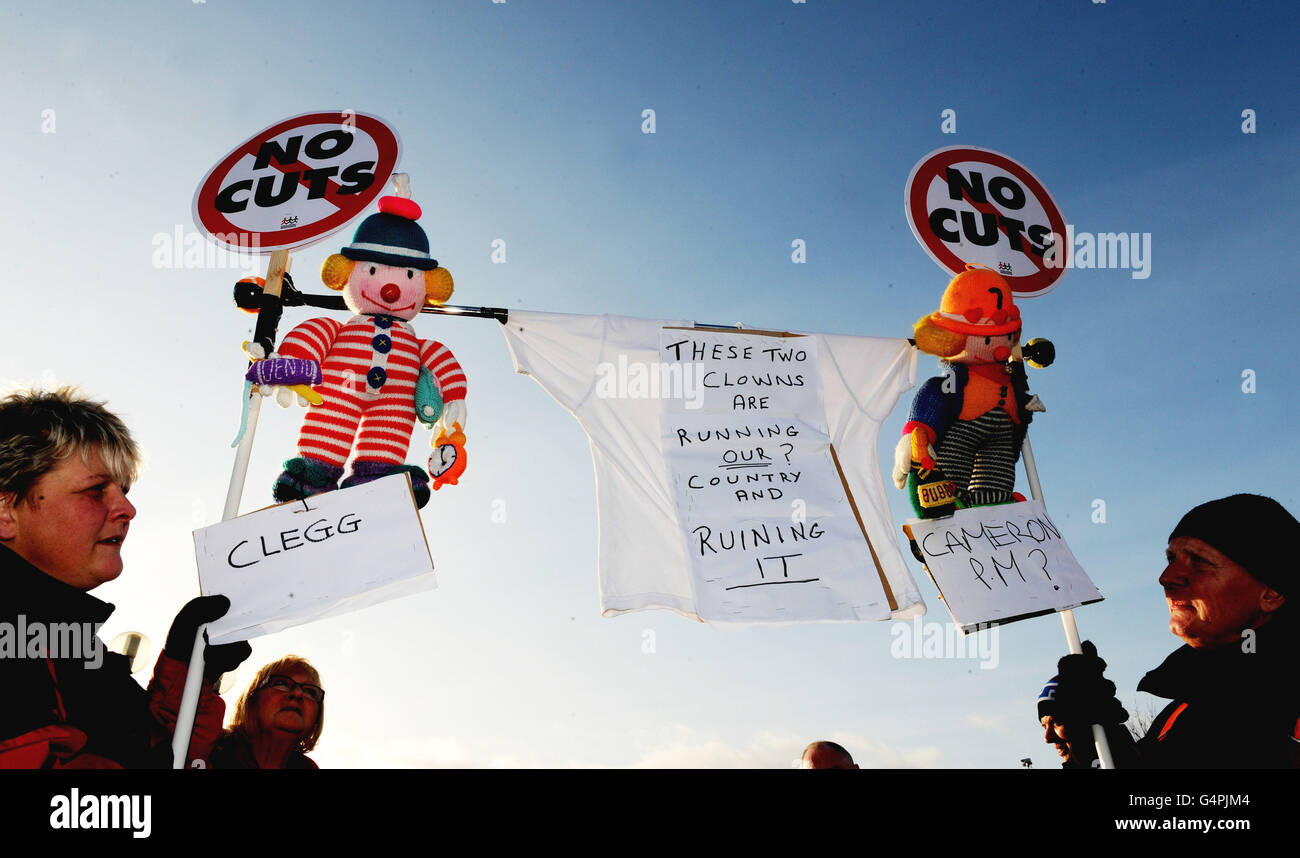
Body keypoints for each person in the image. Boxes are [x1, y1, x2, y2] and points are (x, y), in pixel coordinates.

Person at [0, 387, 250, 768]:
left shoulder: (73, 645)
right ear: (6, 511)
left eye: (124, 490)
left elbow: (157, 747)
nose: (127, 508)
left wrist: (190, 668)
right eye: (95, 490)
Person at [1051, 494, 1299, 768]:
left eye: (1199, 562)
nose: (1166, 578)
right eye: (1171, 559)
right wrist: (1095, 743)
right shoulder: (1185, 708)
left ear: (1271, 592)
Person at [210, 656, 324, 769]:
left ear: (316, 718)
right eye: (281, 683)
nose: (298, 693)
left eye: (310, 691)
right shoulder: (208, 746)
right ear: (252, 700)